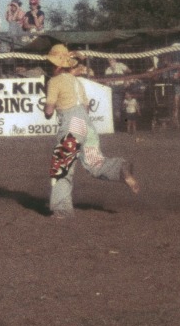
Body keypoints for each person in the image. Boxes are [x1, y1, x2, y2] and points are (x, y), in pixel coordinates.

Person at [42, 44, 137, 219]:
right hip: (87, 126)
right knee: (95, 162)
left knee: (62, 166)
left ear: (56, 65)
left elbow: (48, 112)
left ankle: (62, 210)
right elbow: (85, 107)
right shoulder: (77, 82)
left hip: (72, 125)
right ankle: (119, 168)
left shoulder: (54, 82)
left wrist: (48, 106)